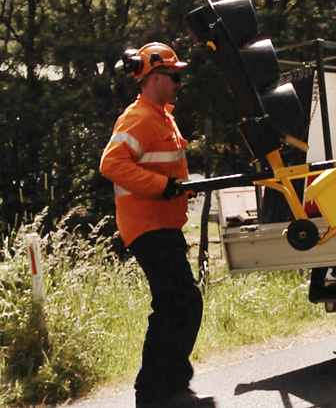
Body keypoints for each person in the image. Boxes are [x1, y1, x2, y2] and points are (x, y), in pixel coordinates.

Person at [100, 42, 215, 408]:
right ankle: (161, 392)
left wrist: (181, 186)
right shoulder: (139, 117)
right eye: (174, 76)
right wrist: (163, 187)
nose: (180, 82)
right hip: (147, 226)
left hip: (163, 225)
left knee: (176, 303)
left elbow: (163, 170)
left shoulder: (163, 117)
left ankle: (164, 391)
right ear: (153, 77)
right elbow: (111, 164)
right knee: (181, 301)